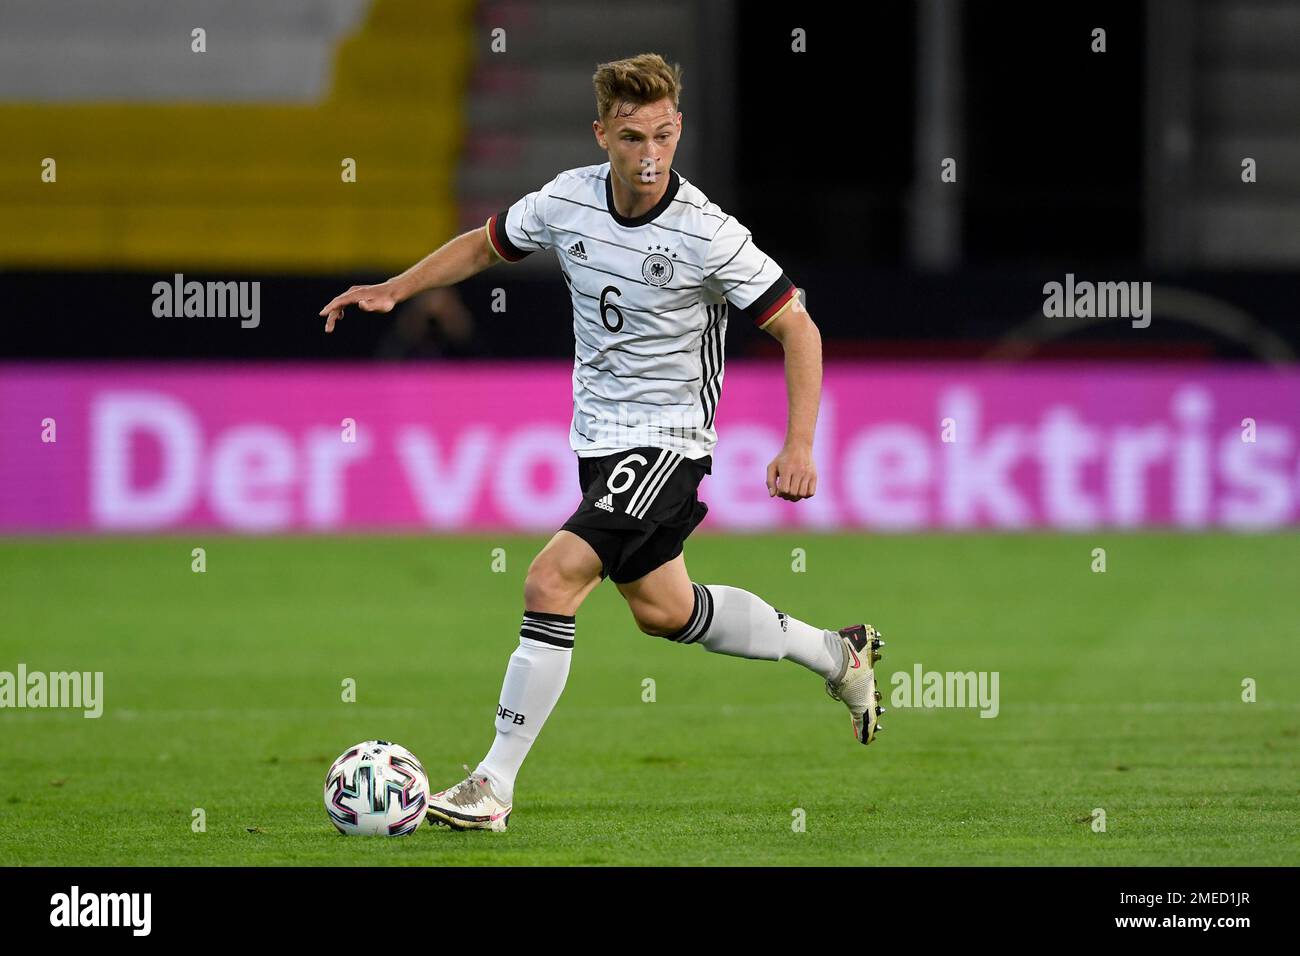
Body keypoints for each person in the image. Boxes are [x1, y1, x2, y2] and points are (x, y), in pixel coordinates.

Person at [319, 53, 886, 832]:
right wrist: (395, 288)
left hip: (668, 442)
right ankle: (835, 654)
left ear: (679, 128)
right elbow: (485, 244)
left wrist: (800, 444)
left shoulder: (709, 234)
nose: (649, 156)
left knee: (551, 583)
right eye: (630, 138)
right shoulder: (566, 200)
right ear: (602, 135)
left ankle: (493, 784)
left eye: (662, 135)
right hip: (600, 444)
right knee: (666, 610)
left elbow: (799, 327)